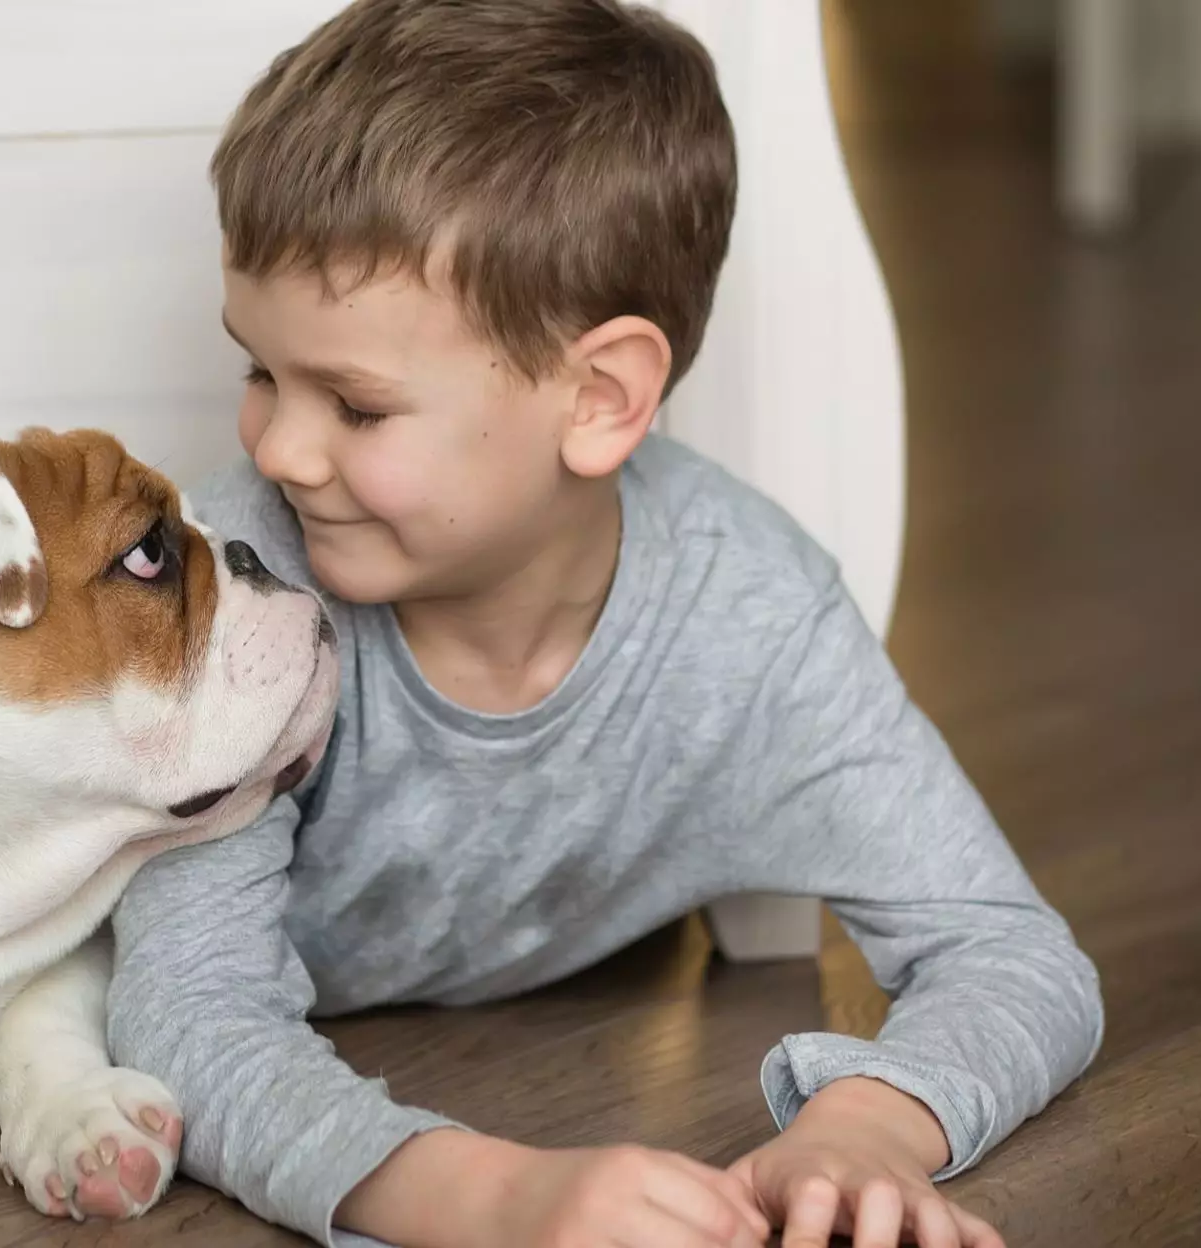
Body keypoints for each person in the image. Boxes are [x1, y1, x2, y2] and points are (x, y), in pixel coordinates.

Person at [105, 2, 1103, 1246]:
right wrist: (494, 1198)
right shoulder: (230, 591)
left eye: (356, 407)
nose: (282, 448)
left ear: (600, 398)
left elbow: (1012, 953)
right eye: (260, 372)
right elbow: (185, 1020)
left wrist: (866, 1128)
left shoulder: (750, 617)